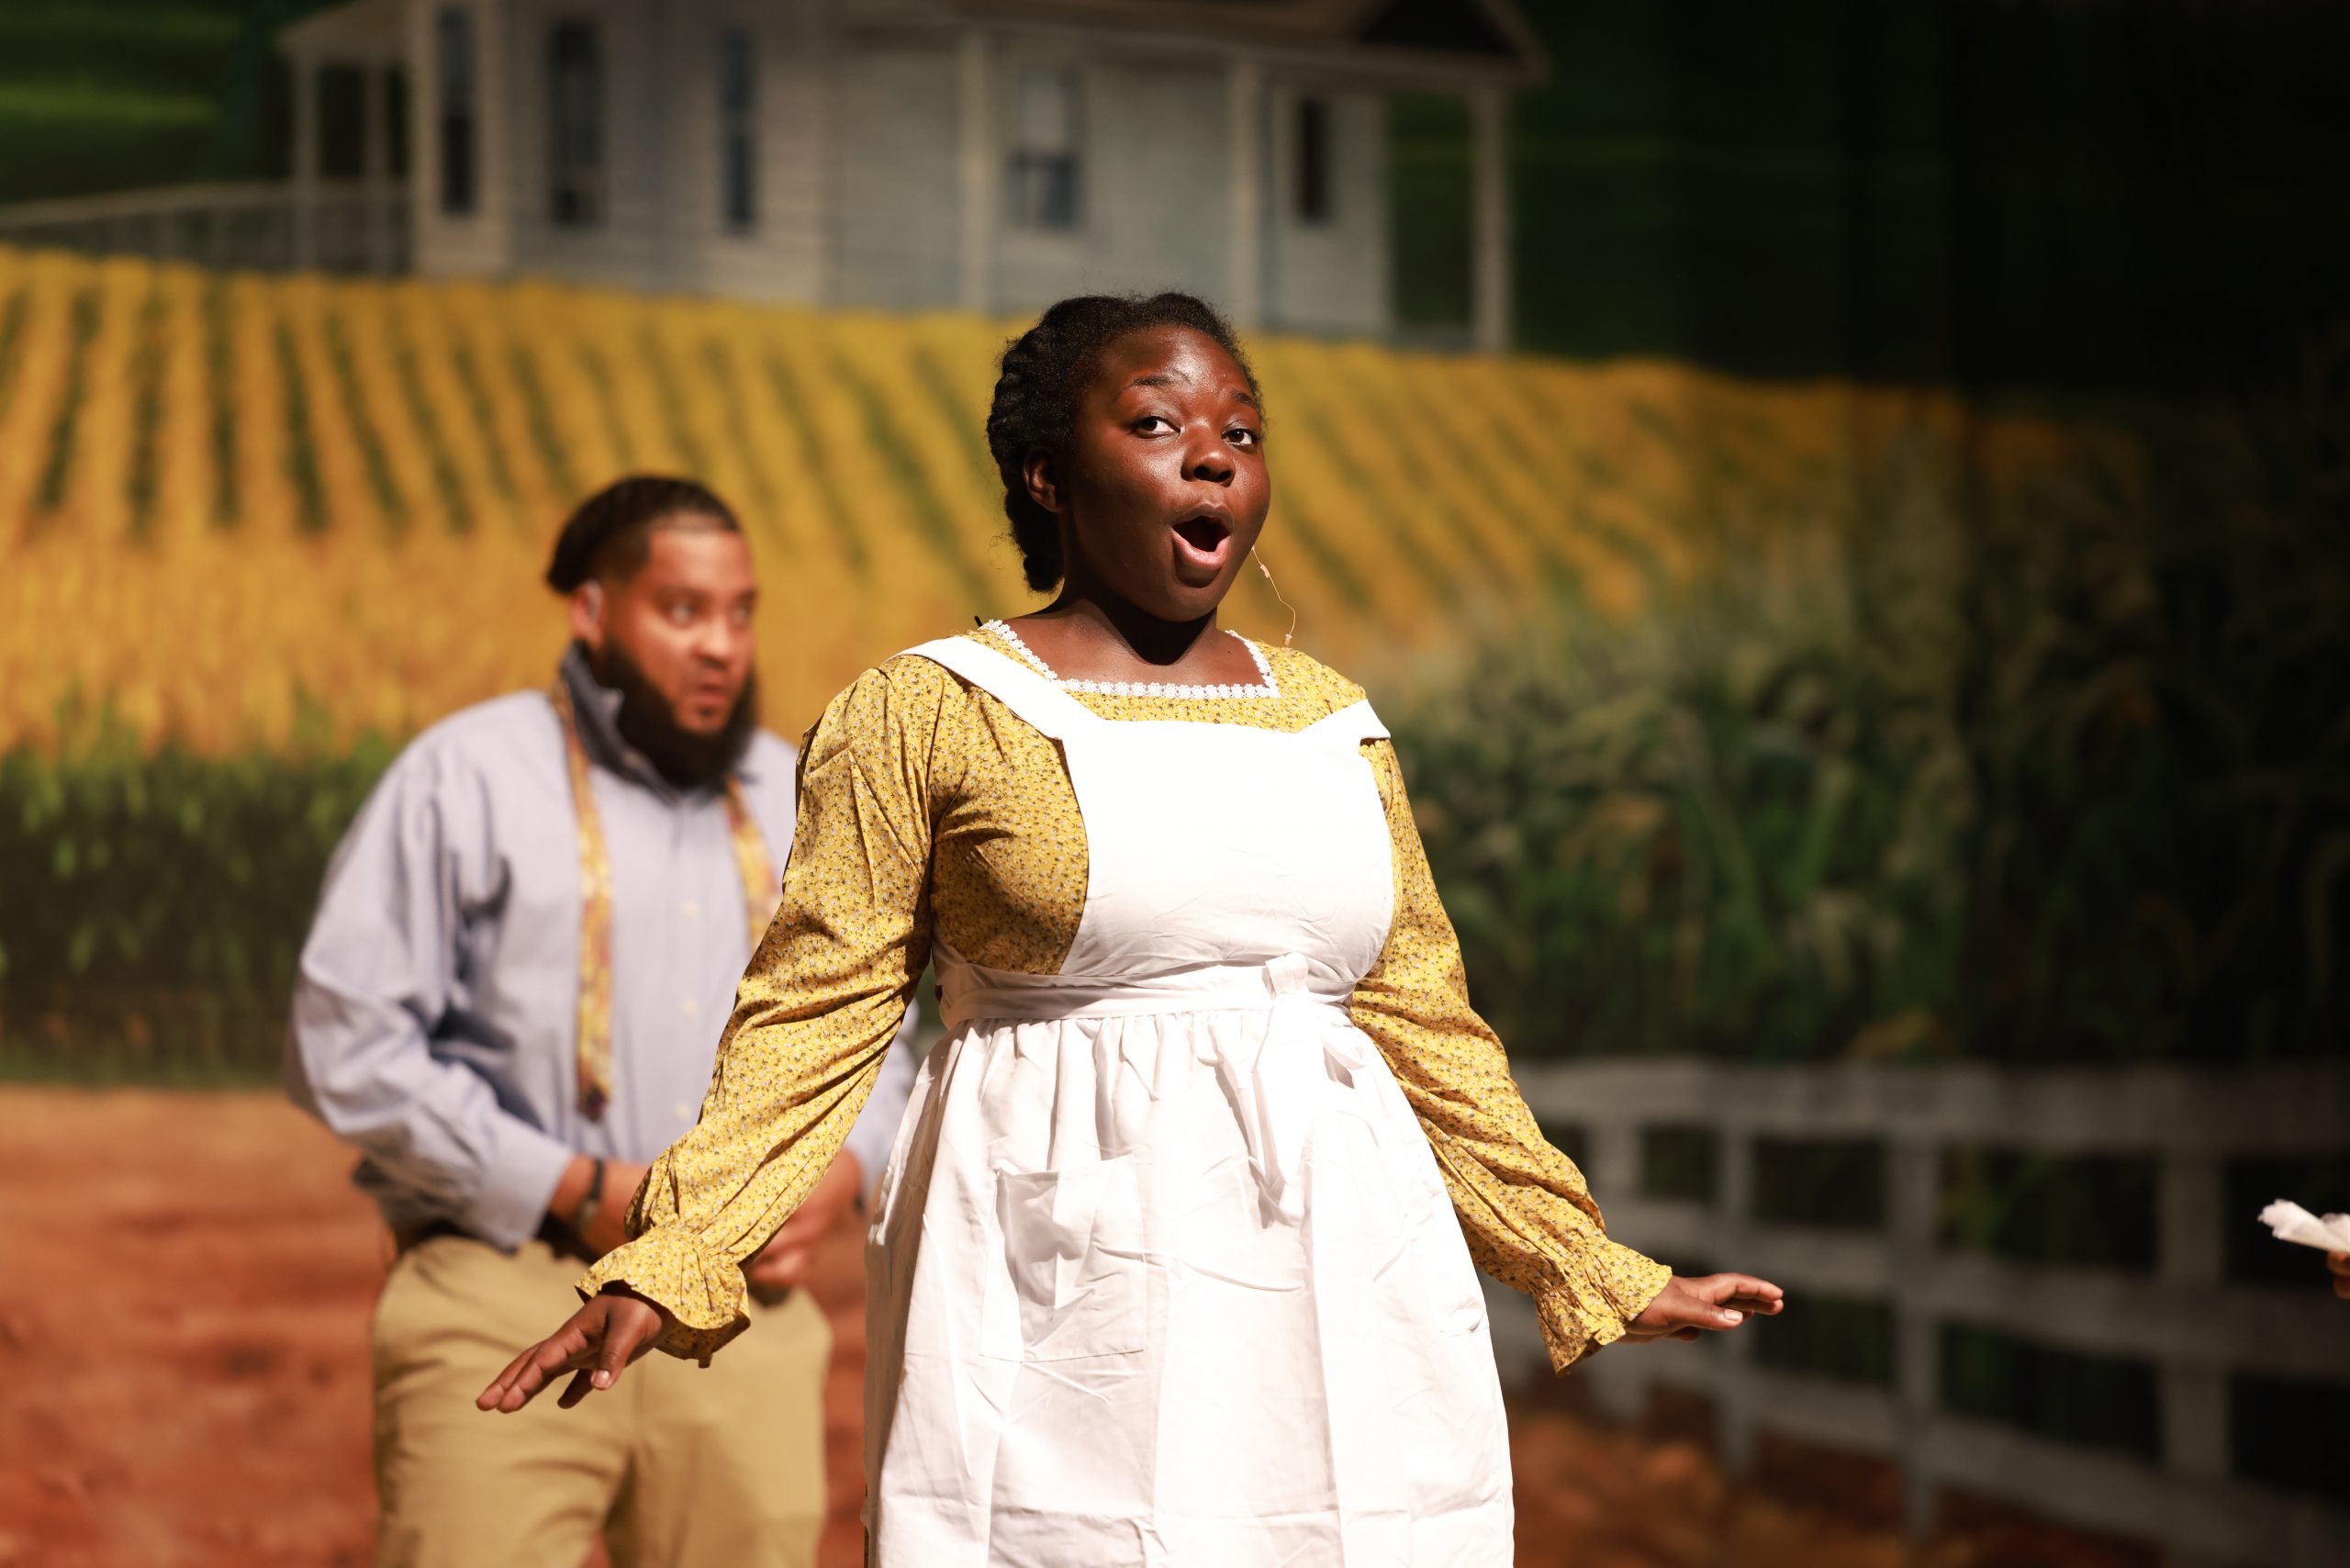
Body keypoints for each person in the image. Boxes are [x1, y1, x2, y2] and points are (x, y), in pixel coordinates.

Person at [478, 296, 1784, 1562]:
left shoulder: (1332, 721)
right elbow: (817, 1010)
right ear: (1048, 475)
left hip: (1340, 1274)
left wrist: (1579, 1261)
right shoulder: (930, 711)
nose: (1213, 455)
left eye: (1242, 432)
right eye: (1158, 424)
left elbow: (1423, 1021)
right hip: (1057, 1283)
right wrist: (679, 1253)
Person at [288, 475, 918, 1568]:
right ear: (592, 611)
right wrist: (573, 1186)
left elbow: (882, 1042)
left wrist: (841, 1172)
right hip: (498, 1285)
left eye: (739, 613)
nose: (719, 645)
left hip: (734, 1314)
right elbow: (348, 1039)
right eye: (681, 610)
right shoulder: (466, 777)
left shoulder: (801, 792)